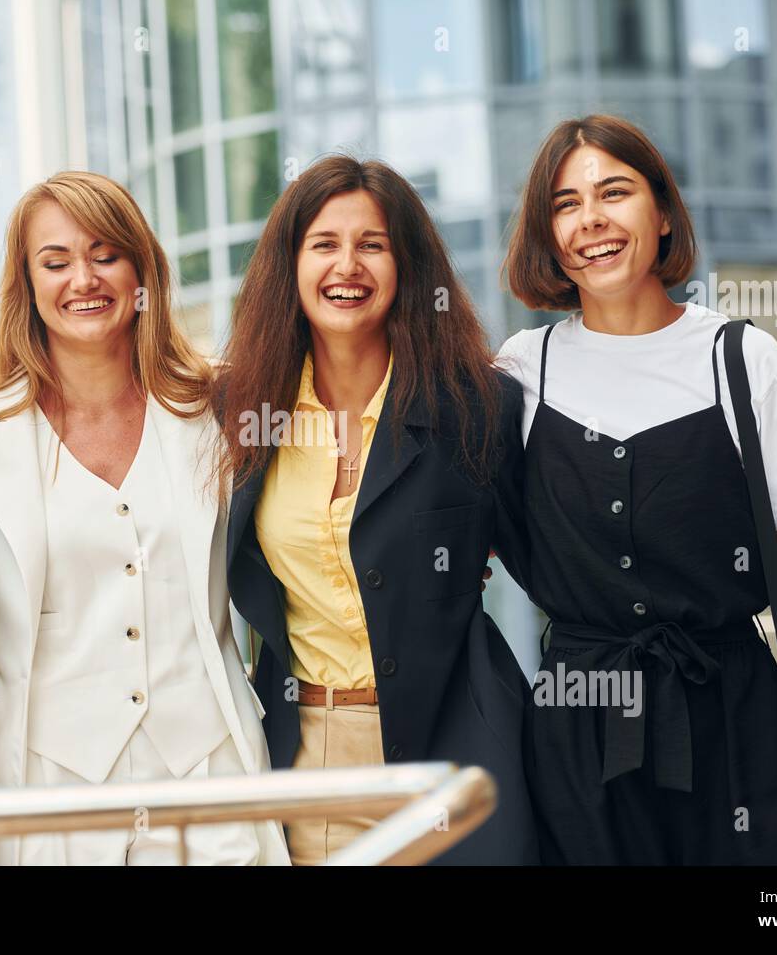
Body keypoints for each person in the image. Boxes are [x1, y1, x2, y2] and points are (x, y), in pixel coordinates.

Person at [499, 114, 777, 865]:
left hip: (737, 719)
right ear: (547, 234)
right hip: (579, 722)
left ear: (663, 213)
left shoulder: (742, 358)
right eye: (566, 204)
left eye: (615, 192)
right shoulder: (520, 369)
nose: (591, 220)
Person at [0, 171, 288, 866]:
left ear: (141, 270)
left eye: (105, 253)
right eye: (55, 261)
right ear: (26, 284)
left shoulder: (215, 405)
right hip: (48, 792)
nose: (83, 279)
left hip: (208, 775)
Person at [216, 154, 538, 865]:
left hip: (457, 758)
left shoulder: (477, 408)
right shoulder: (238, 411)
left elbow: (555, 569)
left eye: (373, 245)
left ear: (407, 267)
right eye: (324, 245)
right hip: (302, 757)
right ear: (290, 266)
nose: (347, 266)